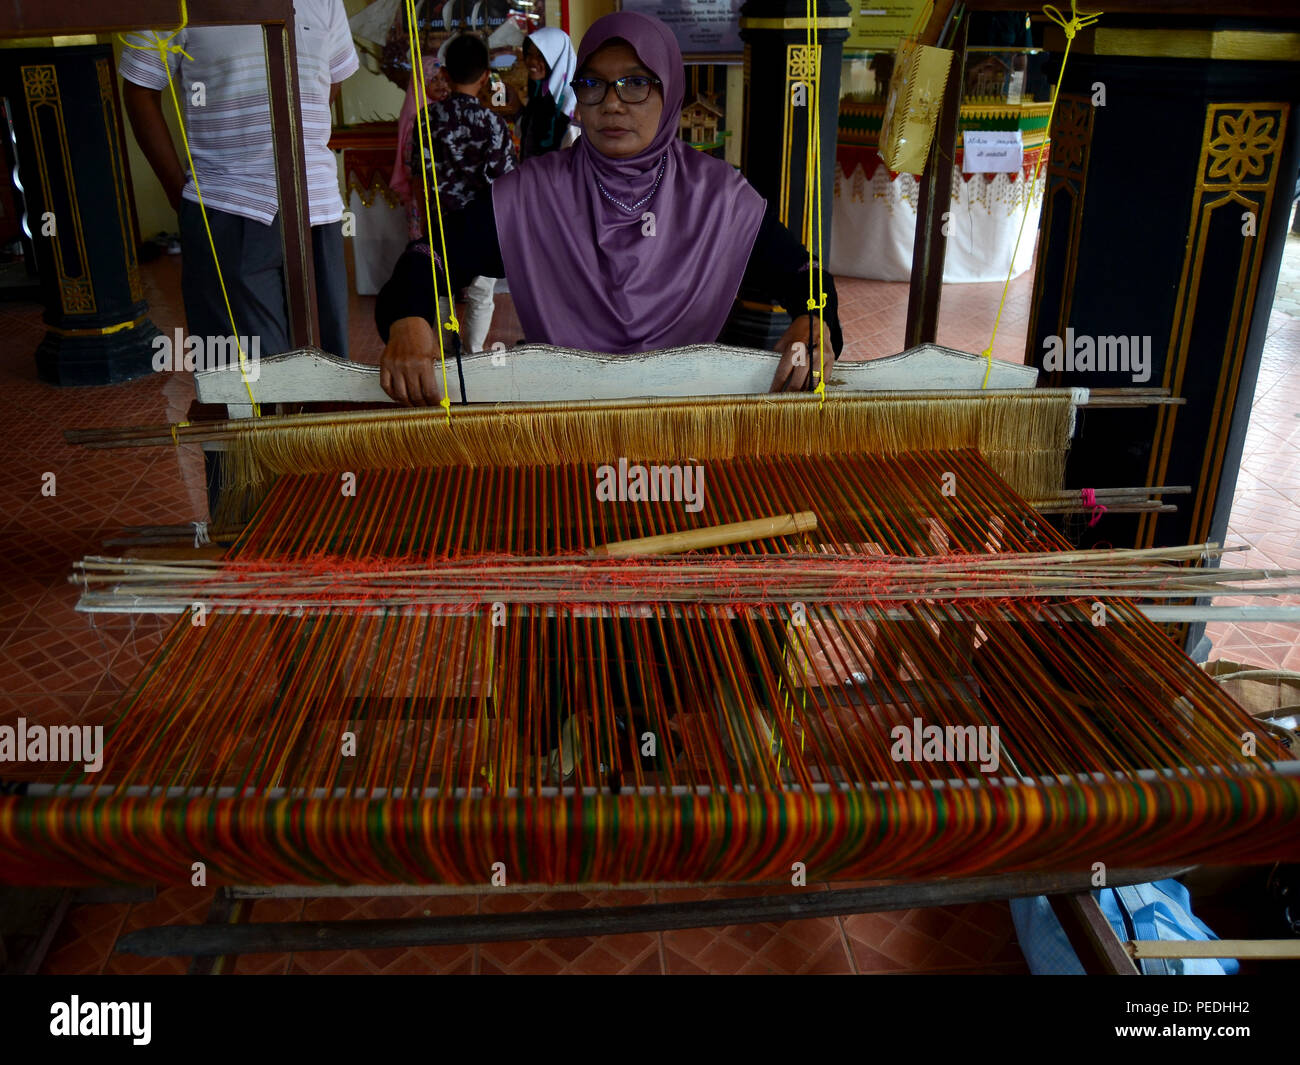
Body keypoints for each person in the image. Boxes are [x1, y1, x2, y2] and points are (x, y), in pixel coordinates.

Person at [376, 10, 841, 403]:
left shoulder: (716, 197)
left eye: (636, 83)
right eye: (593, 84)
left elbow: (802, 272)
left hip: (679, 420)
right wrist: (410, 318)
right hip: (562, 423)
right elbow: (430, 256)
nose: (612, 105)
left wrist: (813, 321)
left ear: (670, 91)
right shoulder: (534, 195)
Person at [120, 1, 357, 362]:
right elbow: (140, 89)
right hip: (229, 206)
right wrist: (180, 196)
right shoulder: (175, 4)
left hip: (318, 208)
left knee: (328, 364)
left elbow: (332, 78)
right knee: (250, 377)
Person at [408, 33, 516, 354]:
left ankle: (447, 356)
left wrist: (424, 220)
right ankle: (474, 354)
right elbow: (507, 182)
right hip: (484, 224)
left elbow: (419, 175)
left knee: (442, 293)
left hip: (442, 222)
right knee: (482, 292)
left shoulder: (425, 120)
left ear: (446, 72)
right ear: (485, 76)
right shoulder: (494, 123)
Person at [518, 28, 579, 160]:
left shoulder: (572, 106)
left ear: (557, 58)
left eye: (540, 56)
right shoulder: (540, 94)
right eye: (529, 54)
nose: (532, 61)